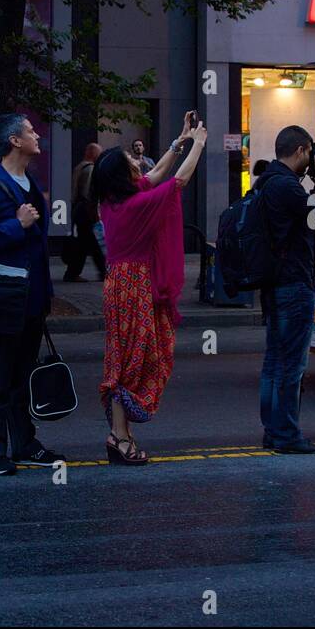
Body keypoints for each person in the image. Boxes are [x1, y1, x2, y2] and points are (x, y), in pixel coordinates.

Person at [96, 116, 207, 464]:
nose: (136, 163)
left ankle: (121, 432)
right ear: (122, 175)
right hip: (133, 285)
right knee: (130, 362)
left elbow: (156, 174)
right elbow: (178, 181)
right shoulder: (135, 206)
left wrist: (181, 139)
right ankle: (118, 435)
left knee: (127, 357)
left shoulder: (114, 201)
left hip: (123, 283)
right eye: (130, 162)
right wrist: (200, 143)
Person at [0, 113, 66, 476]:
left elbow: (37, 246)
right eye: (31, 132)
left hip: (31, 298)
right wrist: (14, 225)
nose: (38, 136)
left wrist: (46, 294)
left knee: (22, 374)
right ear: (14, 141)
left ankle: (24, 443)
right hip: (2, 298)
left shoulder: (30, 183)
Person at [258, 125, 315, 453]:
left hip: (273, 283)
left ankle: (273, 431)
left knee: (274, 360)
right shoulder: (287, 186)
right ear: (301, 150)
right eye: (310, 152)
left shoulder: (267, 182)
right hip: (293, 284)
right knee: (292, 364)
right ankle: (286, 435)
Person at [63, 142, 106, 282]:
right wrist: (94, 214)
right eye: (99, 154)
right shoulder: (90, 169)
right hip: (85, 211)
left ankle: (101, 271)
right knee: (85, 244)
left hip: (78, 209)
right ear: (93, 154)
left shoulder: (79, 167)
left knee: (88, 243)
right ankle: (73, 273)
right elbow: (88, 194)